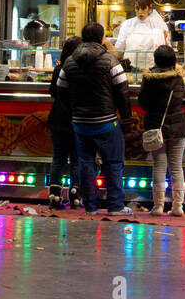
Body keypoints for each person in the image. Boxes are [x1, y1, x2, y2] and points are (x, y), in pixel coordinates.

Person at [57, 22, 132, 217]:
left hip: (80, 123)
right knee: (113, 162)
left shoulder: (70, 62)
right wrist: (126, 119)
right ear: (102, 38)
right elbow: (123, 92)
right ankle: (115, 205)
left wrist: (74, 111)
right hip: (106, 121)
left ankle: (90, 205)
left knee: (86, 163)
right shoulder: (110, 61)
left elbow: (60, 91)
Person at [138, 44, 185, 217]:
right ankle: (177, 206)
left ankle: (158, 206)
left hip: (155, 126)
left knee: (159, 166)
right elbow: (180, 99)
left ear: (156, 60)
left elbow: (143, 103)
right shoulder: (179, 79)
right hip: (178, 126)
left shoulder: (149, 79)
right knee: (176, 166)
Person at [46, 37, 83, 209]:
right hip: (77, 119)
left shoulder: (59, 68)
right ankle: (75, 194)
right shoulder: (82, 69)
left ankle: (54, 195)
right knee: (77, 158)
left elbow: (53, 92)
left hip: (58, 118)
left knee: (58, 158)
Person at [111, 0, 169, 71]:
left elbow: (166, 52)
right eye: (137, 9)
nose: (140, 12)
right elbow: (119, 51)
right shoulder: (127, 24)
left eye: (143, 8)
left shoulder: (159, 24)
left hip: (152, 70)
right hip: (131, 69)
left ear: (149, 7)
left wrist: (165, 40)